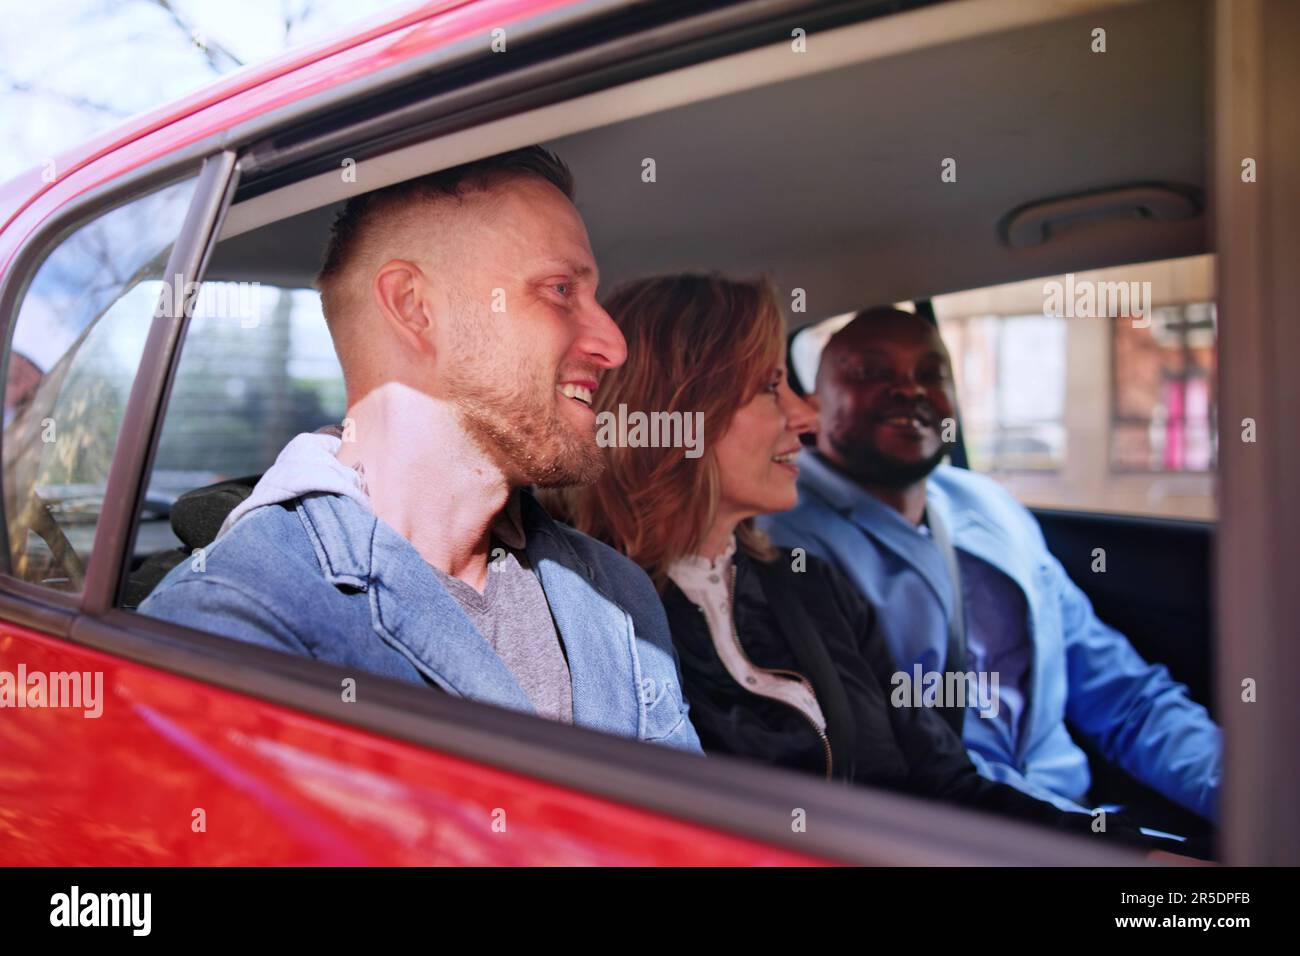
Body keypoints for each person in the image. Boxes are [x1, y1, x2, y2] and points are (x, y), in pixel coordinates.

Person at [553, 273, 1172, 847]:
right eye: (773, 388)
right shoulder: (592, 609)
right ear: (682, 413)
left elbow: (943, 782)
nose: (806, 415)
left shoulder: (807, 586)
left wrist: (1138, 861)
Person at [140, 147, 702, 754]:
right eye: (560, 289)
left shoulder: (615, 592)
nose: (613, 344)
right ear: (414, 307)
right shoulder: (236, 624)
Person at [761, 306, 1222, 822]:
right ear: (815, 402)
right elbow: (908, 764)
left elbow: (1127, 697)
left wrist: (1248, 796)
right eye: (872, 372)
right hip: (957, 833)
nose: (909, 390)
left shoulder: (993, 507)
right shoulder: (785, 541)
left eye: (931, 374)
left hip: (1078, 814)